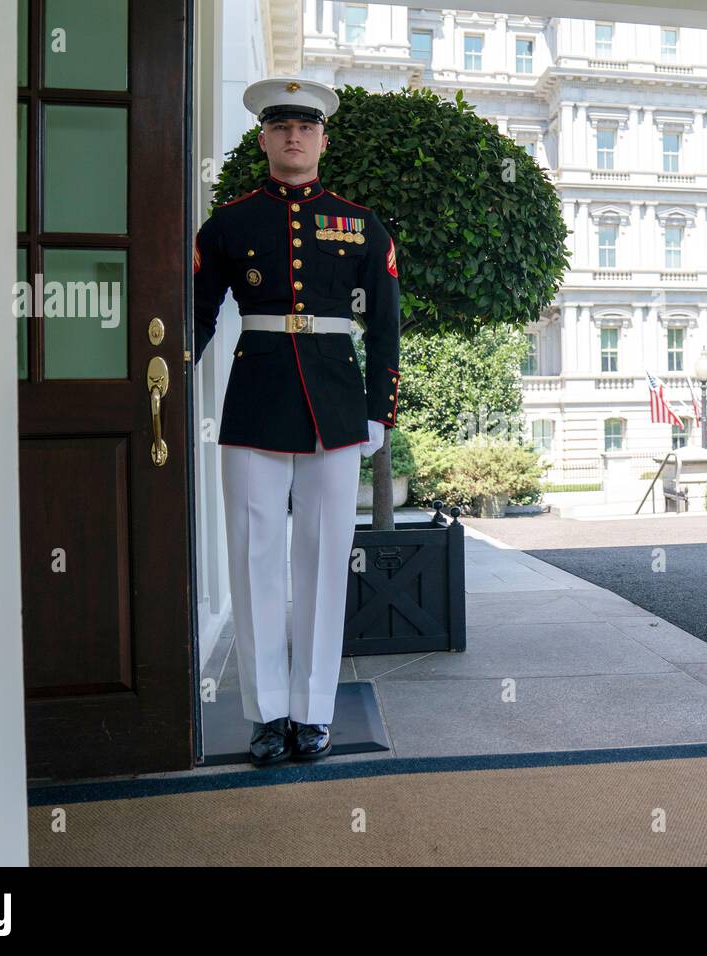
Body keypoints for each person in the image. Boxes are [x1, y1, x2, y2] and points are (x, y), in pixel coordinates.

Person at [192, 78, 402, 765]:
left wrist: (379, 410)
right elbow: (193, 316)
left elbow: (386, 328)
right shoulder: (230, 222)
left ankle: (313, 712)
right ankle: (265, 714)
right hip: (255, 400)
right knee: (254, 562)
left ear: (322, 139)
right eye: (280, 126)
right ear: (263, 138)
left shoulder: (359, 222)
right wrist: (157, 389)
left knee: (320, 561)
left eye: (304, 126)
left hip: (336, 407)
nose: (292, 136)